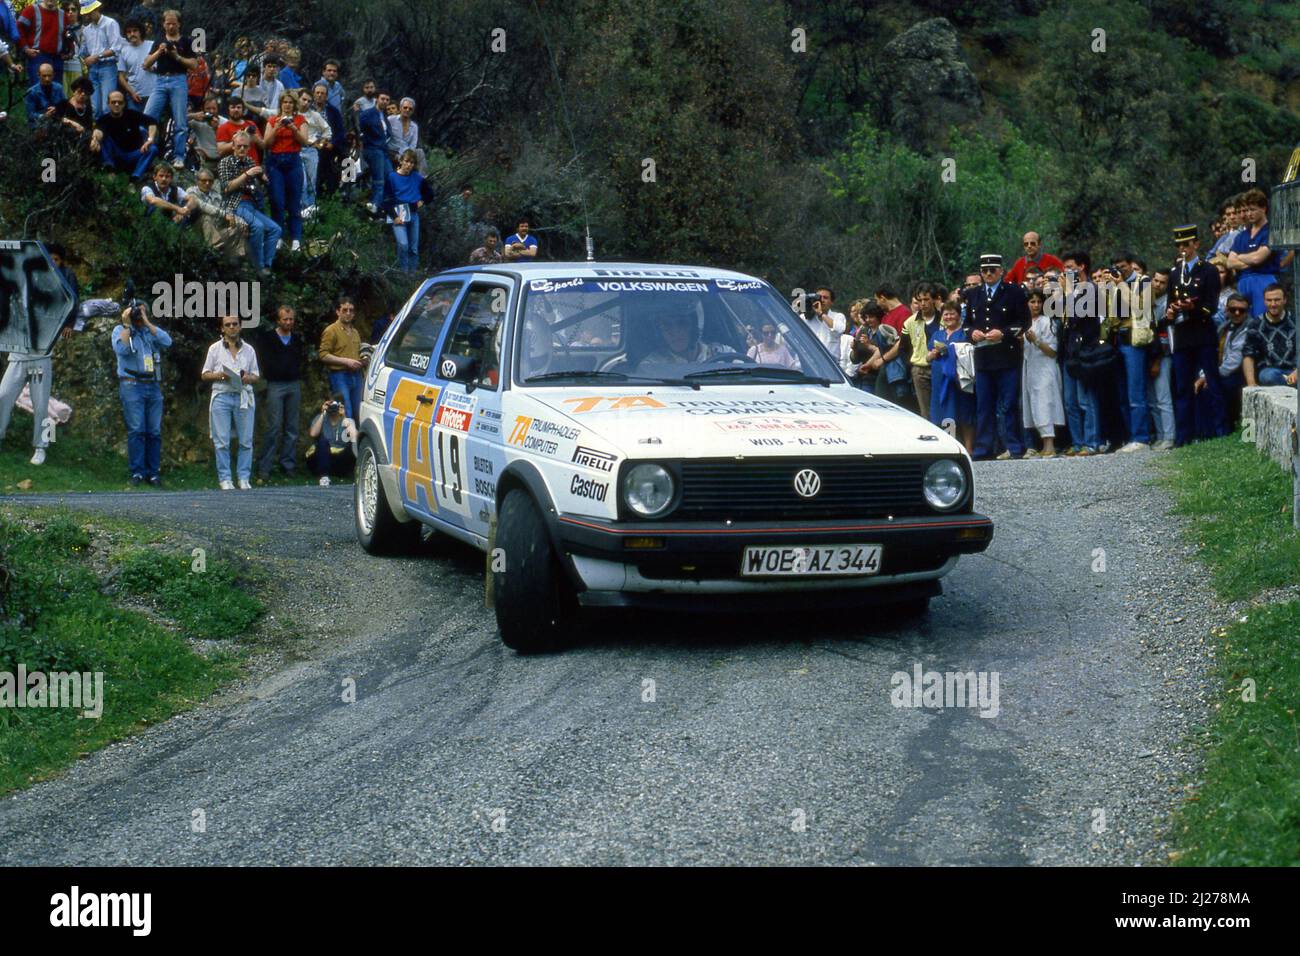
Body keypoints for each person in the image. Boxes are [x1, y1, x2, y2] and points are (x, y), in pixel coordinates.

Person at [0, 242, 77, 466]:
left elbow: (71, 302)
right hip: (18, 353)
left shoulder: (59, 281)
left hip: (41, 354)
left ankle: (41, 447)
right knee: (3, 395)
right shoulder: (24, 278)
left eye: (56, 259)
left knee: (41, 404)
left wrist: (68, 323)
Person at [964, 253, 1028, 460]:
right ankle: (984, 448)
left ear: (1001, 270)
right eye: (985, 271)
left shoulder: (1014, 292)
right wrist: (971, 332)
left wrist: (1005, 333)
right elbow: (966, 322)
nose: (989, 274)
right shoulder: (973, 294)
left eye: (993, 270)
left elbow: (1024, 321)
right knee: (984, 405)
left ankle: (1013, 446)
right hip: (983, 357)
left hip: (1006, 356)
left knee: (1008, 404)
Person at [1167, 224, 1225, 445]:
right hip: (1183, 335)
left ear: (1196, 244)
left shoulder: (1208, 270)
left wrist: (1194, 308)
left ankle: (1218, 432)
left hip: (1202, 333)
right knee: (1182, 387)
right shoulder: (1175, 273)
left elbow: (1212, 305)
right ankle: (1184, 437)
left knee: (1212, 382)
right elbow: (1171, 303)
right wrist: (1172, 310)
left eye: (1187, 244)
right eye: (1179, 245)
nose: (1183, 249)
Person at [112, 296, 171, 485]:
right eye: (136, 312)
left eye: (142, 311)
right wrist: (126, 324)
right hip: (131, 384)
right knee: (137, 429)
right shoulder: (119, 331)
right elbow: (123, 350)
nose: (138, 315)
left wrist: (146, 321)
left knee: (154, 431)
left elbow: (167, 342)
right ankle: (137, 472)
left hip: (153, 385)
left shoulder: (149, 332)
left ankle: (153, 473)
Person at [200, 315, 260, 490]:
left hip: (243, 396)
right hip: (222, 395)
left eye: (235, 324)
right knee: (222, 441)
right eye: (228, 325)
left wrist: (247, 378)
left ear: (240, 327)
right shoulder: (214, 349)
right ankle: (225, 478)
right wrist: (221, 375)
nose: (232, 327)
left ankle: (243, 478)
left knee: (246, 440)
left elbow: (256, 375)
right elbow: (204, 374)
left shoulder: (249, 350)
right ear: (222, 328)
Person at [219, 131, 280, 275]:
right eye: (239, 146)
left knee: (275, 229)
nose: (242, 149)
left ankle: (267, 265)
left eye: (245, 147)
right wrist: (247, 175)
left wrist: (262, 178)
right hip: (234, 203)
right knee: (257, 227)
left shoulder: (250, 161)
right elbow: (226, 188)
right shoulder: (225, 162)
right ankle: (256, 266)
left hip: (251, 204)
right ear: (233, 146)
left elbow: (259, 185)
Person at [141, 8, 196, 169]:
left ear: (179, 24)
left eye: (174, 23)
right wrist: (159, 51)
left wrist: (176, 56)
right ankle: (146, 148)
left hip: (178, 80)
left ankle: (179, 156)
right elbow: (146, 64)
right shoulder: (159, 40)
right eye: (168, 23)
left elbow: (193, 64)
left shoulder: (186, 41)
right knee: (147, 116)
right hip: (160, 81)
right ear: (163, 25)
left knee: (180, 120)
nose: (171, 26)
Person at [256, 304, 303, 481]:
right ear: (278, 320)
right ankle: (265, 467)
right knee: (273, 426)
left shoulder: (296, 339)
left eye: (291, 319)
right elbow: (265, 362)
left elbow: (300, 359)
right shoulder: (268, 338)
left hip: (293, 384)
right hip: (275, 385)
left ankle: (288, 465)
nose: (288, 322)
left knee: (292, 427)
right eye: (285, 319)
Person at [260, 90, 307, 253]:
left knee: (294, 202)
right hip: (275, 162)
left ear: (294, 105)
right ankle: (278, 236)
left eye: (290, 102)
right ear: (280, 104)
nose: (287, 105)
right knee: (277, 201)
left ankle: (296, 238)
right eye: (284, 102)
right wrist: (277, 127)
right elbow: (266, 143)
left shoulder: (300, 120)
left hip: (293, 161)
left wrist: (294, 128)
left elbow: (305, 141)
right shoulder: (273, 120)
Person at [1019, 288, 1064, 457]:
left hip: (1046, 367)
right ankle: (1042, 445)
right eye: (1032, 302)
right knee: (1034, 404)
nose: (1036, 305)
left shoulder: (1048, 322)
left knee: (1045, 403)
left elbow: (1053, 351)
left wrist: (1035, 340)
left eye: (1039, 302)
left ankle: (1050, 444)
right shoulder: (1024, 323)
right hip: (1030, 367)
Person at [927, 301, 975, 452]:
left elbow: (970, 354)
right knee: (945, 414)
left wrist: (952, 350)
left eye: (952, 313)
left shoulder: (964, 334)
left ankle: (969, 449)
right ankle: (951, 448)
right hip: (939, 379)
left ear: (959, 316)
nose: (949, 317)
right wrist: (933, 354)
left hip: (959, 380)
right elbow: (927, 358)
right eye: (945, 314)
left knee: (965, 414)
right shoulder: (937, 334)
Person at [1226, 189, 1279, 319]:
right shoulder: (1242, 235)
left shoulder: (1271, 231)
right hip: (1243, 282)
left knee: (1262, 320)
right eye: (1247, 210)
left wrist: (1240, 256)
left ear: (1264, 209)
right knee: (1243, 322)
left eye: (1253, 209)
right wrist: (1250, 260)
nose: (1249, 214)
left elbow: (1258, 258)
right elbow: (1230, 262)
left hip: (1263, 280)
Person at [1204, 292, 1253, 430]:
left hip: (1242, 374)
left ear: (1247, 310)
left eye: (1241, 310)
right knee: (1200, 388)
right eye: (1233, 310)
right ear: (1226, 309)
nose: (1237, 313)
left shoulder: (1250, 327)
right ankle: (1206, 432)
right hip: (1222, 371)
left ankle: (1224, 429)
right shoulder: (1223, 327)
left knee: (1219, 387)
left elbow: (1234, 361)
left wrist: (1210, 376)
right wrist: (1204, 376)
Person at [91, 89, 158, 180]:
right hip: (116, 155)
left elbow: (152, 122)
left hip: (135, 153)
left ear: (124, 104)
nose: (117, 105)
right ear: (108, 104)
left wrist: (150, 140)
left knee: (153, 148)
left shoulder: (132, 114)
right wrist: (95, 139)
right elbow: (99, 131)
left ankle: (136, 176)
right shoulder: (104, 119)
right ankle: (110, 169)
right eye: (113, 102)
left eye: (120, 102)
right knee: (103, 139)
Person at [185, 166, 246, 259]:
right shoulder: (191, 191)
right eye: (204, 180)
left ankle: (237, 256)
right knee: (206, 216)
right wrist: (225, 215)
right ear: (197, 181)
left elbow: (226, 210)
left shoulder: (216, 195)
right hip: (197, 229)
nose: (207, 183)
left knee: (240, 225)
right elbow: (202, 206)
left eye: (210, 181)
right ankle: (214, 248)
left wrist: (239, 221)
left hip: (216, 230)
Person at [1243, 284, 1297, 387]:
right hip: (1270, 371)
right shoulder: (1255, 324)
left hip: (1294, 370)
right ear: (1264, 301)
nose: (1273, 304)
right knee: (1267, 376)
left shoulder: (1296, 321)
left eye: (1277, 300)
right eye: (1269, 300)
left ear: (1285, 300)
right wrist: (1251, 383)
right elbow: (1248, 355)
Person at [320, 297, 365, 420]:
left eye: (351, 310)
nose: (348, 313)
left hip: (356, 375)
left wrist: (364, 359)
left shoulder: (355, 332)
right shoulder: (331, 330)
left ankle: (355, 438)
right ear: (338, 312)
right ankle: (344, 439)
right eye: (344, 310)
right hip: (340, 375)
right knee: (345, 411)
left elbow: (358, 353)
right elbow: (323, 354)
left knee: (358, 411)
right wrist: (345, 361)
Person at [74, 0, 118, 119]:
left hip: (108, 67)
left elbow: (116, 48)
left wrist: (97, 56)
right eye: (86, 14)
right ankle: (97, 135)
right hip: (93, 69)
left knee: (106, 106)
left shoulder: (110, 23)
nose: (87, 16)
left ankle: (109, 135)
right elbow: (83, 52)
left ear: (96, 9)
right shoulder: (87, 30)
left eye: (89, 13)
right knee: (94, 108)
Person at [901, 282, 939, 417]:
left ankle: (949, 435)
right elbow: (904, 347)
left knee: (942, 406)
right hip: (920, 369)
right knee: (925, 410)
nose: (923, 303)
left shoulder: (943, 319)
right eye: (920, 300)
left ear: (934, 299)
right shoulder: (910, 322)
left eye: (926, 299)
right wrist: (912, 363)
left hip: (940, 367)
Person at [384, 148, 426, 271]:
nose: (409, 165)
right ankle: (402, 273)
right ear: (401, 161)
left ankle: (411, 276)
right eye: (407, 161)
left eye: (412, 163)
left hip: (413, 214)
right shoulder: (392, 177)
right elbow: (386, 200)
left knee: (413, 248)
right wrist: (395, 217)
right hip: (398, 214)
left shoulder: (416, 177)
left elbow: (428, 193)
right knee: (403, 244)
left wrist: (421, 201)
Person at [638, 308, 719, 366]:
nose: (675, 332)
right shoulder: (651, 364)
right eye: (666, 325)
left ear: (693, 327)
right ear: (660, 332)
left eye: (682, 323)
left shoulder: (720, 352)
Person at [306, 395, 357, 487]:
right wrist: (323, 414)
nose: (333, 408)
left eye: (335, 406)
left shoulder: (347, 421)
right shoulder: (320, 417)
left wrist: (344, 416)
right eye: (331, 405)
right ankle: (324, 476)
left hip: (340, 459)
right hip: (321, 457)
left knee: (352, 445)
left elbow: (355, 438)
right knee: (322, 441)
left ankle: (353, 475)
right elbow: (313, 434)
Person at [17, 0, 66, 86]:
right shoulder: (31, 10)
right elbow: (18, 29)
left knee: (56, 91)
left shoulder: (62, 15)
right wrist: (25, 48)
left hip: (57, 59)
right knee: (39, 92)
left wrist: (69, 52)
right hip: (38, 57)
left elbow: (68, 35)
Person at [297, 88, 329, 217]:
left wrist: (321, 143)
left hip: (311, 150)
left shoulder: (315, 115)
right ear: (298, 99)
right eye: (304, 99)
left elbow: (327, 130)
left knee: (311, 182)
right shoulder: (293, 114)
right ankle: (303, 212)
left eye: (309, 101)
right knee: (302, 183)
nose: (306, 103)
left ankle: (311, 213)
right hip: (297, 150)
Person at [358, 90, 391, 214]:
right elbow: (360, 129)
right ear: (377, 99)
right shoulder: (368, 114)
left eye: (387, 100)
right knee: (379, 180)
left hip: (383, 150)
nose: (385, 102)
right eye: (383, 99)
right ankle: (374, 206)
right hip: (373, 149)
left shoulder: (384, 116)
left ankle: (382, 206)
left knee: (390, 177)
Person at [115, 19, 154, 108]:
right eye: (129, 32)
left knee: (152, 121)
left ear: (140, 32)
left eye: (135, 30)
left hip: (153, 94)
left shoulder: (152, 45)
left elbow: (163, 68)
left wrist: (152, 68)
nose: (132, 34)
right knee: (135, 121)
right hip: (134, 95)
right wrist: (132, 93)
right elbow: (121, 76)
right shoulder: (124, 50)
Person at [185, 91, 224, 176]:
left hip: (221, 161)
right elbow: (179, 120)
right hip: (204, 162)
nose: (211, 111)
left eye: (214, 108)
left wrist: (217, 128)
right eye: (208, 109)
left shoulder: (224, 122)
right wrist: (193, 116)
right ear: (203, 109)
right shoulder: (197, 122)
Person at [216, 91, 260, 164]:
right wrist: (240, 138)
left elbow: (263, 146)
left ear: (243, 110)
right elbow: (220, 150)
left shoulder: (251, 124)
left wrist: (256, 139)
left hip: (253, 165)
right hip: (234, 167)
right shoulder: (223, 127)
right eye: (233, 107)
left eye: (238, 107)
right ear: (228, 110)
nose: (236, 110)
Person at [798, 286, 844, 356]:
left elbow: (839, 330)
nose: (822, 300)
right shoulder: (804, 318)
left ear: (832, 302)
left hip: (830, 363)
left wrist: (821, 313)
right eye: (818, 297)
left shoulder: (838, 316)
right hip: (808, 361)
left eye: (825, 298)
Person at [386, 96, 425, 173]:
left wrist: (406, 156)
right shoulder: (391, 120)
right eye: (405, 107)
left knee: (419, 152)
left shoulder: (414, 126)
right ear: (400, 108)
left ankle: (422, 179)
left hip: (405, 153)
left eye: (410, 109)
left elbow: (413, 145)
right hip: (391, 151)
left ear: (413, 111)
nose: (407, 110)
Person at [24, 59, 65, 130]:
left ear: (53, 75)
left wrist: (57, 109)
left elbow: (65, 106)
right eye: (44, 76)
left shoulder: (59, 88)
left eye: (49, 76)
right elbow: (30, 114)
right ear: (38, 75)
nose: (47, 79)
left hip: (56, 122)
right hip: (39, 125)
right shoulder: (31, 92)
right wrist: (44, 116)